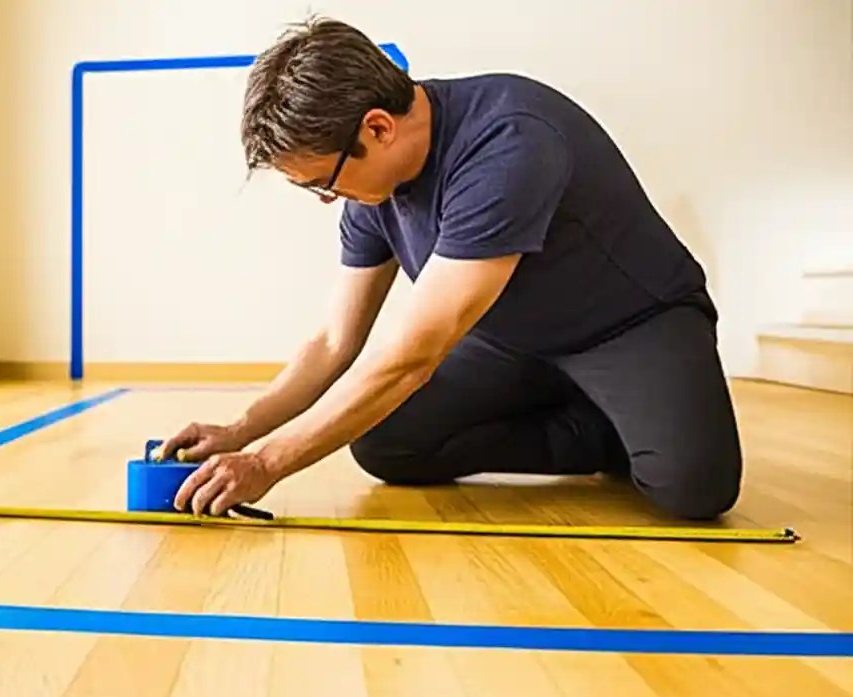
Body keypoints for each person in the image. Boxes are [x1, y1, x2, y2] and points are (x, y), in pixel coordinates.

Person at [155, 16, 742, 521]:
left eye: (322, 184)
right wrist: (241, 431)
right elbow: (336, 340)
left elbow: (415, 355)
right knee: (386, 442)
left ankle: (630, 421)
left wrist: (268, 463)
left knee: (694, 487)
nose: (326, 200)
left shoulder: (508, 142)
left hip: (628, 324)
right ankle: (598, 431)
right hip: (513, 341)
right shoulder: (373, 191)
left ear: (377, 128)